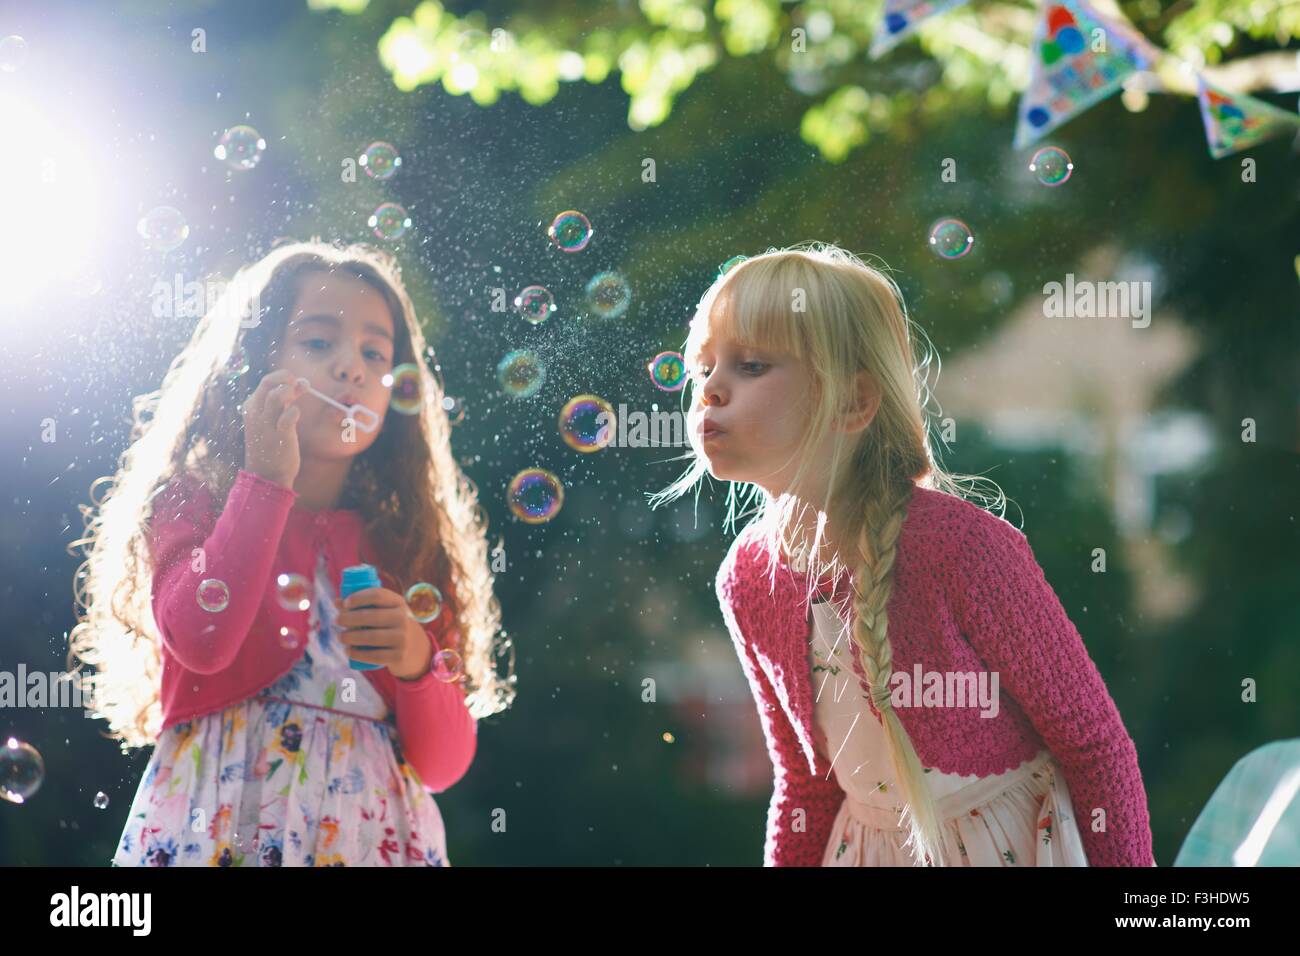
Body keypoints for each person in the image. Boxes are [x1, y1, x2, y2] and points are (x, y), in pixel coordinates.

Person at [651, 242, 1155, 866]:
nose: (711, 392)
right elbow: (806, 785)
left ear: (854, 403)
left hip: (1012, 845)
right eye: (704, 370)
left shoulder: (961, 549)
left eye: (751, 365)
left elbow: (1094, 746)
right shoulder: (748, 578)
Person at [67, 240, 514, 865]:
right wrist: (265, 481)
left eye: (374, 353)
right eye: (318, 342)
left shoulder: (407, 544)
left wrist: (417, 660)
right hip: (224, 826)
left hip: (367, 840)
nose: (350, 368)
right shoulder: (193, 503)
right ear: (257, 363)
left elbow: (443, 763)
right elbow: (203, 637)